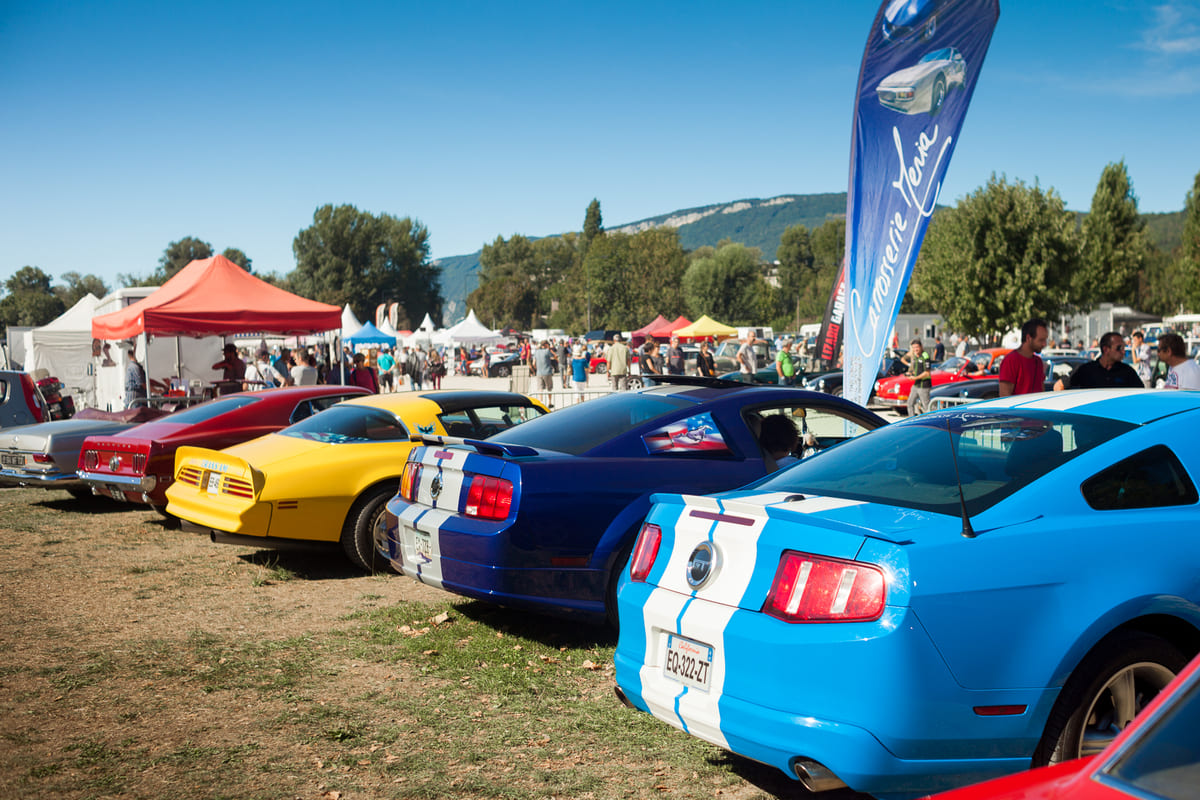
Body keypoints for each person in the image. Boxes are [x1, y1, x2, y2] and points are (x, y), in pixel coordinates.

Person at [1069, 332, 1142, 389]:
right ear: (1106, 349)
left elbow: (1139, 395)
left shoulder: (1128, 372)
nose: (1123, 352)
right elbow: (1063, 386)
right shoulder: (1086, 370)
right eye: (1119, 348)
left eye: (1124, 348)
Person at [999, 318, 1049, 397]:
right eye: (1041, 340)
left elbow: (1041, 392)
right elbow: (1004, 396)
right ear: (1028, 338)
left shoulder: (1038, 361)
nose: (1044, 344)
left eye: (1045, 340)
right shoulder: (1011, 361)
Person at [901, 338, 932, 415]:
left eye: (917, 347)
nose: (915, 349)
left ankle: (929, 423)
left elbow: (927, 373)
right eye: (914, 347)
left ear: (921, 347)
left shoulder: (925, 355)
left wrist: (915, 378)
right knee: (910, 403)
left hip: (924, 386)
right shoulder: (915, 356)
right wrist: (910, 373)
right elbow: (916, 370)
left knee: (926, 406)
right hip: (916, 384)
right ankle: (912, 421)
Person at [533, 340, 555, 405]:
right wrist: (550, 349)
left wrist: (537, 369)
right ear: (546, 344)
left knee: (540, 388)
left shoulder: (536, 352)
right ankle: (549, 402)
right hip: (547, 372)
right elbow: (554, 357)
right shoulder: (547, 351)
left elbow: (533, 363)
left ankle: (541, 402)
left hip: (539, 372)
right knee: (549, 388)